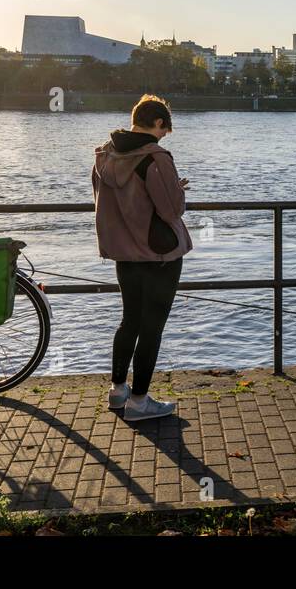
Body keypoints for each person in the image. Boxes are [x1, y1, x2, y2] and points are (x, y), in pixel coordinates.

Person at [91, 94, 193, 421]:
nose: (165, 135)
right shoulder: (155, 158)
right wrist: (177, 189)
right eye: (166, 129)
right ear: (159, 123)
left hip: (125, 252)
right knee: (152, 327)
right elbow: (171, 209)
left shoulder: (105, 156)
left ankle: (118, 390)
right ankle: (139, 401)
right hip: (158, 253)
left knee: (129, 321)